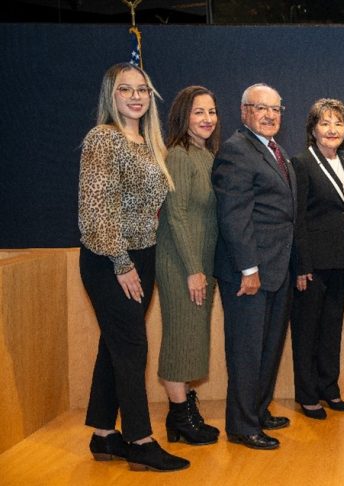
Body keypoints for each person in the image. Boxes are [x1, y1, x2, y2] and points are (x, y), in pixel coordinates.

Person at [78, 62, 188, 471]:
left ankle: (104, 435)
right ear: (111, 95)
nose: (136, 96)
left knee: (114, 345)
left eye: (142, 89)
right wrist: (121, 263)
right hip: (110, 259)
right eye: (126, 89)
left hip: (143, 256)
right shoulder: (103, 139)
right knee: (131, 347)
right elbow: (96, 210)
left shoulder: (148, 142)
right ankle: (139, 440)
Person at [211, 83, 296, 450]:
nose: (269, 115)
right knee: (246, 352)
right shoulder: (236, 150)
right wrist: (248, 269)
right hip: (249, 273)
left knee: (268, 347)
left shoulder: (275, 150)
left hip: (277, 268)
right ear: (244, 111)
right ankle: (242, 426)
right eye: (261, 108)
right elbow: (234, 215)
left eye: (276, 109)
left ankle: (258, 412)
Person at [155, 85, 221, 445]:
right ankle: (180, 416)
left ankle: (183, 412)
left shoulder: (206, 156)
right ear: (183, 116)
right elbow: (176, 215)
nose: (207, 119)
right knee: (180, 339)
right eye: (199, 112)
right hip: (181, 265)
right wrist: (194, 270)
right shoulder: (179, 156)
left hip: (200, 265)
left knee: (193, 339)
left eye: (212, 112)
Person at [290, 99, 344, 420]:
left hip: (341, 259)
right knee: (307, 331)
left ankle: (329, 388)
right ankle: (307, 394)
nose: (332, 129)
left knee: (331, 328)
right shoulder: (301, 163)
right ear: (313, 129)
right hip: (312, 263)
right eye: (325, 123)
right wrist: (301, 265)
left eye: (338, 123)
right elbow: (297, 218)